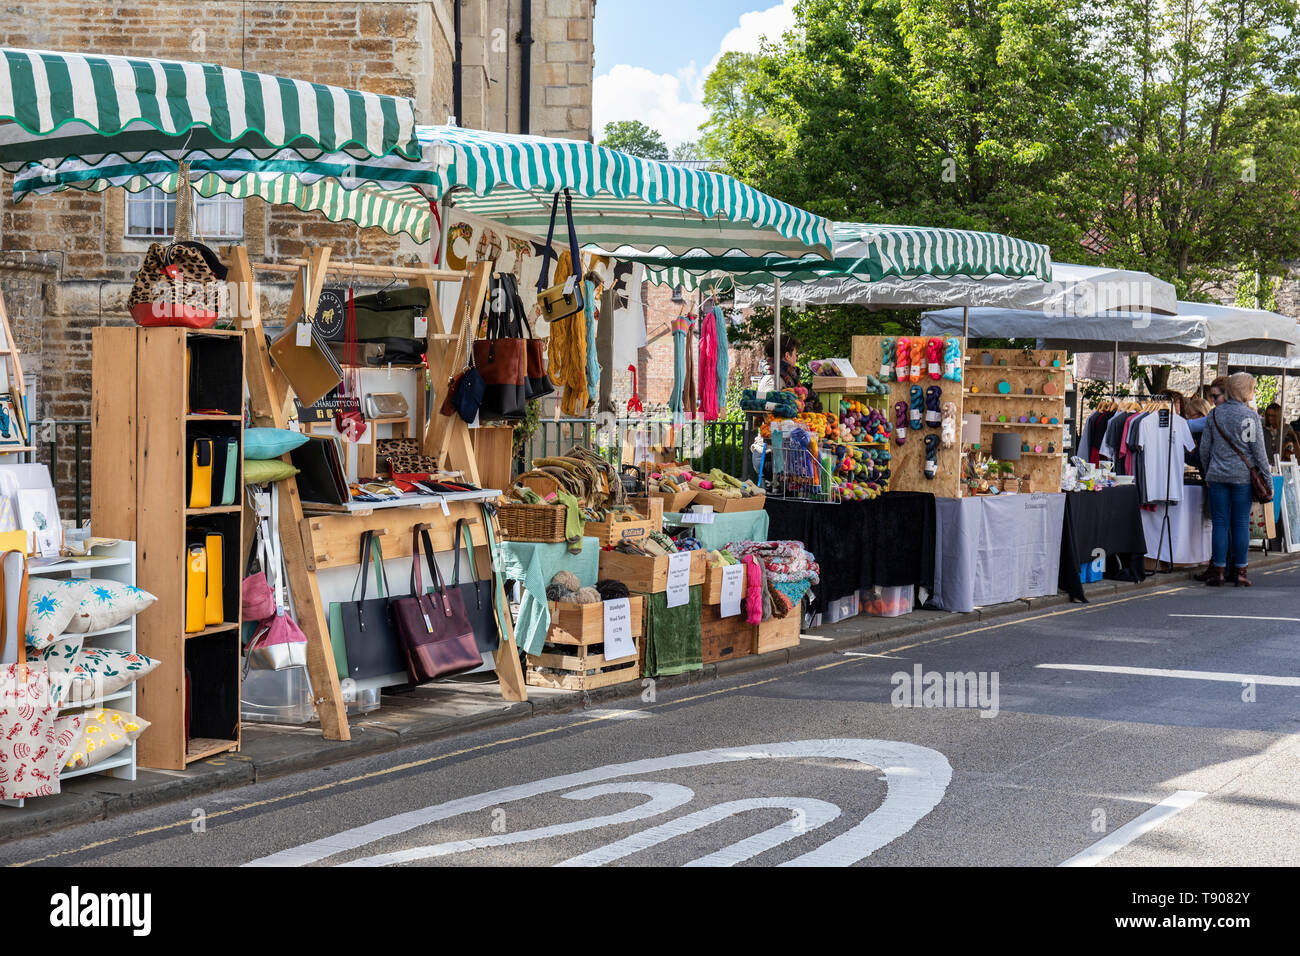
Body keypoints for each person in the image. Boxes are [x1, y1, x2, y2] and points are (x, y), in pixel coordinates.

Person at [1197, 372, 1272, 587]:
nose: (1254, 392)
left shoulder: (1214, 415)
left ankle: (1218, 570)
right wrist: (1266, 479)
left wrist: (1208, 471)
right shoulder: (1251, 417)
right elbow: (1259, 453)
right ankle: (1240, 571)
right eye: (1253, 388)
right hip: (1242, 478)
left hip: (1217, 476)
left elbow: (1205, 449)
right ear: (1245, 391)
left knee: (1220, 523)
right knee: (1240, 523)